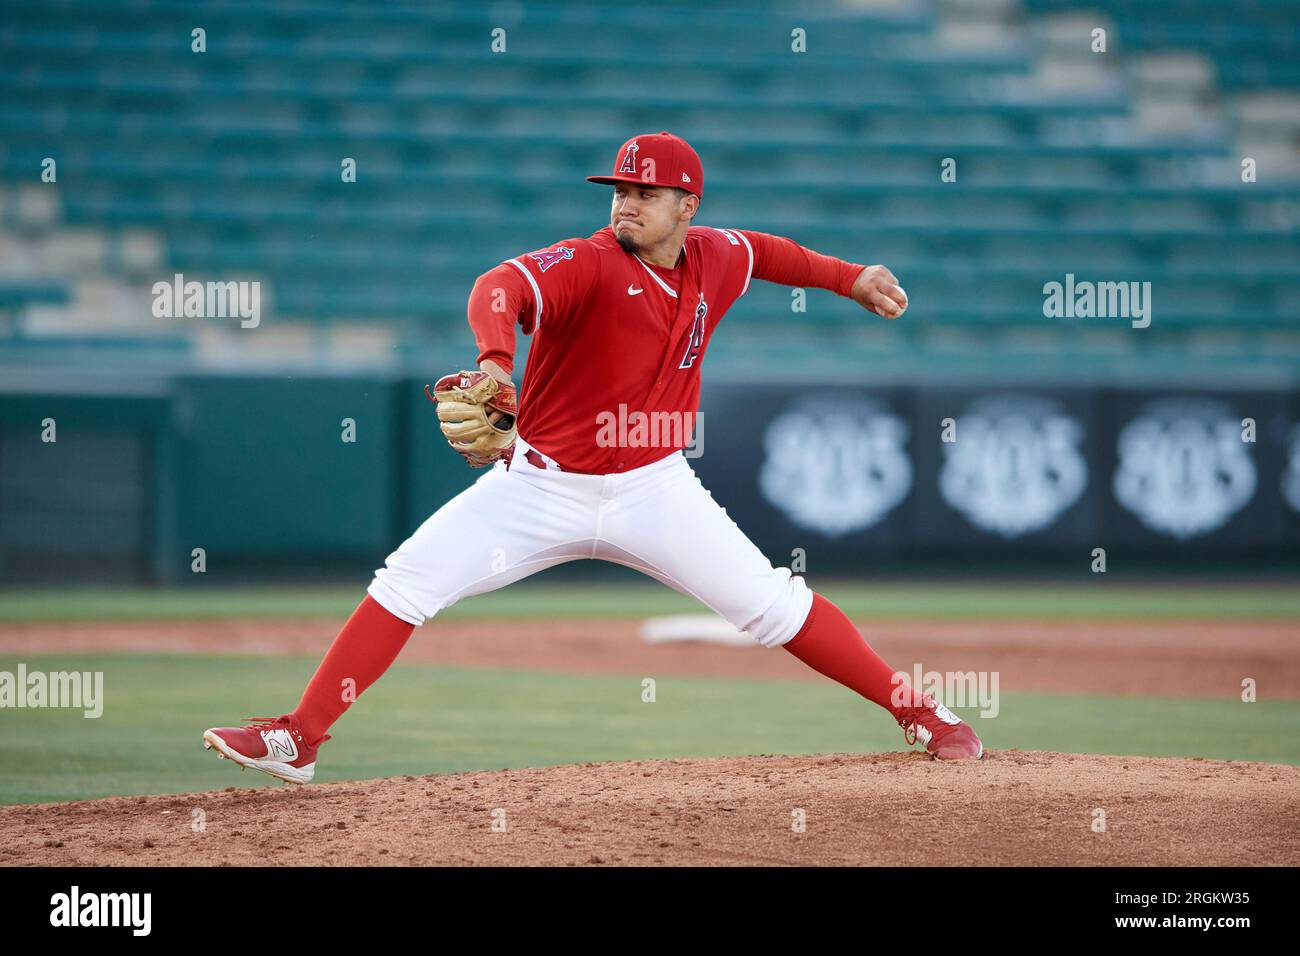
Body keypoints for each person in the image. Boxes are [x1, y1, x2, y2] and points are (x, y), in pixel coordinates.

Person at [203, 132, 983, 784]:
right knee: (407, 581)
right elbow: (498, 285)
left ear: (687, 207)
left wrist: (853, 278)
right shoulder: (587, 263)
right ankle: (300, 738)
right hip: (539, 489)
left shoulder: (716, 257)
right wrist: (496, 361)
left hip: (655, 489)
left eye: (644, 193)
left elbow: (773, 254)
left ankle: (920, 711)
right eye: (618, 189)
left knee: (774, 607)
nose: (625, 203)